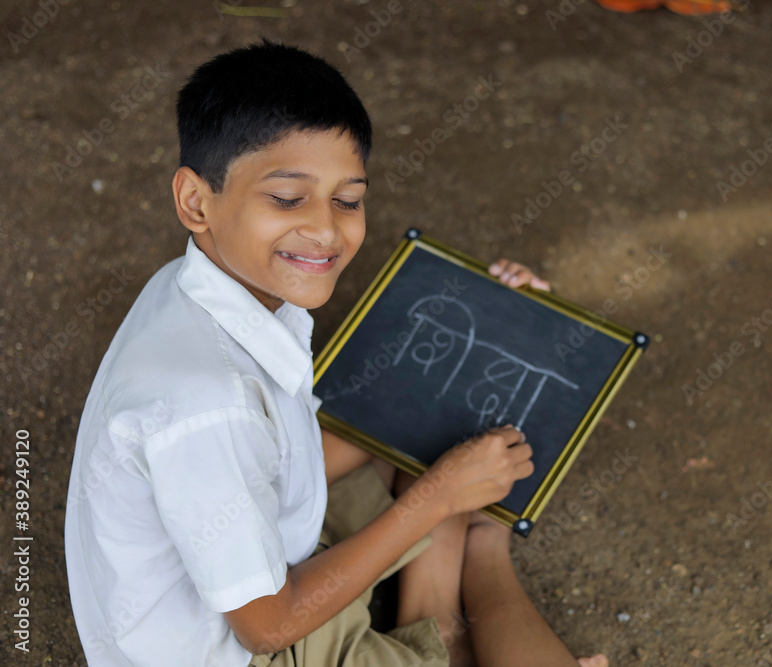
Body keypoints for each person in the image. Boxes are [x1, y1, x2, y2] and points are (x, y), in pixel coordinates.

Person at [64, 39, 609, 667]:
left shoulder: (206, 286)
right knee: (436, 480)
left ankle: (449, 551)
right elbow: (267, 629)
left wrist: (502, 322)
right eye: (287, 198)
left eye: (348, 200)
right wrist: (437, 495)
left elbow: (280, 452)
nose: (326, 229)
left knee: (430, 429)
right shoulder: (209, 404)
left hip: (248, 559)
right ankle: (473, 565)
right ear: (195, 201)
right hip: (247, 644)